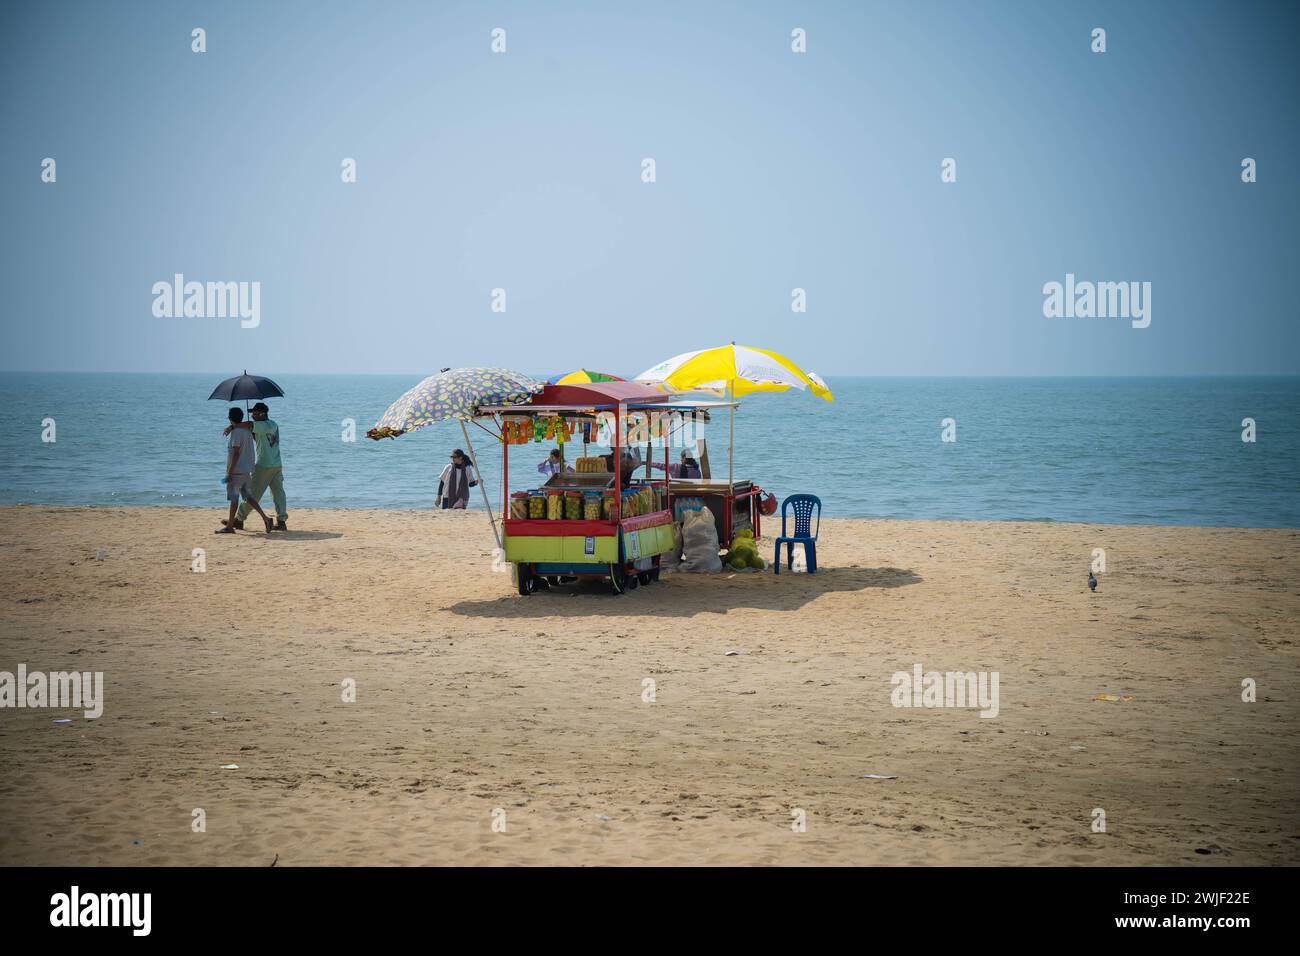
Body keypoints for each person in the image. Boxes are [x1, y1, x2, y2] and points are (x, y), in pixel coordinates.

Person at [224, 402, 288, 531]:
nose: (252, 415)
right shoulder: (273, 424)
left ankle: (239, 519)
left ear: (262, 414)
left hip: (264, 465)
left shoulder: (261, 425)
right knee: (278, 493)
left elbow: (248, 425)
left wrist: (232, 427)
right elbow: (257, 437)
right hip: (276, 464)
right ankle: (281, 521)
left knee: (252, 493)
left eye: (254, 413)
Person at [216, 408, 273, 534]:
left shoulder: (236, 433)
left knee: (234, 499)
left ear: (230, 419)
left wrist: (229, 472)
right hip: (247, 471)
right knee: (248, 497)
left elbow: (236, 453)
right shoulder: (248, 431)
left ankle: (230, 527)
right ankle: (266, 518)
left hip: (237, 471)